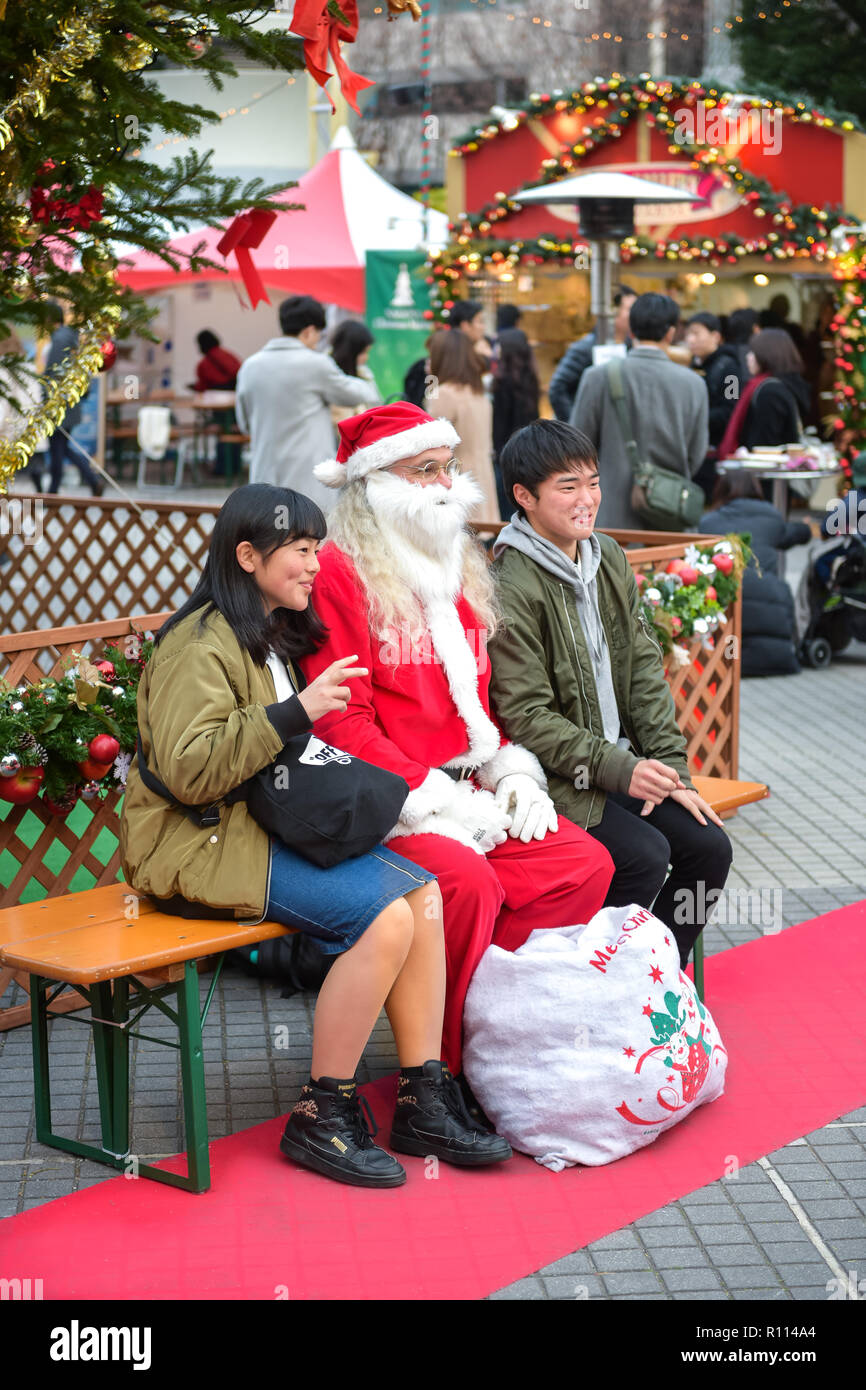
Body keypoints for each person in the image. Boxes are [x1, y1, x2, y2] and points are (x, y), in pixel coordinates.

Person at [119, 482, 512, 1188]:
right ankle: (321, 1112)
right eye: (300, 550)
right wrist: (294, 713)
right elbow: (188, 771)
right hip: (195, 843)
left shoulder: (267, 629)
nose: (313, 563)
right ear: (247, 555)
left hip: (252, 828)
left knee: (421, 896)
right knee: (386, 918)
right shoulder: (197, 644)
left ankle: (423, 1095)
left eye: (317, 548)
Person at [302, 402, 615, 1077]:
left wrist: (512, 775)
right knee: (467, 884)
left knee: (581, 865)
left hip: (470, 781)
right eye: (424, 470)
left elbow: (479, 705)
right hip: (388, 799)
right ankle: (438, 1073)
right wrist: (430, 795)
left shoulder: (457, 568)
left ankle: (496, 1021)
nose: (446, 484)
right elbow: (339, 721)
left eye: (448, 467)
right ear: (376, 482)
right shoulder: (338, 574)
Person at [488, 419, 732, 969]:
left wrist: (672, 773)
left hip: (620, 764)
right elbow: (525, 714)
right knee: (645, 856)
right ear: (524, 496)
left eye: (593, 483)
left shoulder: (607, 557)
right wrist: (622, 770)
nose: (587, 499)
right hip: (558, 776)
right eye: (567, 487)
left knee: (709, 847)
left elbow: (643, 669)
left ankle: (654, 978)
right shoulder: (511, 582)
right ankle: (596, 986)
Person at [572, 293, 708, 530]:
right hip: (671, 515)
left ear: (631, 331)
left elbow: (576, 447)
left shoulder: (597, 377)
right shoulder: (694, 384)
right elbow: (696, 454)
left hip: (609, 517)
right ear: (671, 333)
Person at [235, 295, 379, 510]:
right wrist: (364, 376)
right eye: (319, 335)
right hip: (307, 483)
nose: (317, 342)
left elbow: (244, 423)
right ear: (309, 331)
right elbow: (359, 394)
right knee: (310, 538)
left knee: (270, 538)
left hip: (264, 477)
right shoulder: (316, 364)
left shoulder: (249, 366)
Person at [699, 469, 810, 676]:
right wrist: (806, 529)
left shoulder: (708, 522)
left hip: (727, 605)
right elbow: (794, 535)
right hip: (771, 606)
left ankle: (731, 663)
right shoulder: (771, 515)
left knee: (732, 646)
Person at [423, 328, 500, 522]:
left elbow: (429, 437)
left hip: (455, 478)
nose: (428, 361)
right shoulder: (477, 392)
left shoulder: (444, 392)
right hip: (482, 475)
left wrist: (430, 380)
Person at [717, 328, 811, 458]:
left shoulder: (768, 391)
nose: (748, 357)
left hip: (764, 469)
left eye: (753, 352)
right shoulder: (784, 385)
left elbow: (764, 446)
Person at [548, 284, 636, 422]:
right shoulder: (585, 348)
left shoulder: (630, 347)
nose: (635, 315)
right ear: (612, 310)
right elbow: (557, 388)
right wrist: (575, 428)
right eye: (630, 309)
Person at [43, 302, 103, 497]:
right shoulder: (68, 337)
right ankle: (90, 480)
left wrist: (46, 399)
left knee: (58, 446)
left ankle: (55, 489)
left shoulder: (59, 339)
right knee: (62, 445)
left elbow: (54, 373)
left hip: (59, 400)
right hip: (68, 400)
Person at [684, 311, 744, 500]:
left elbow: (730, 410)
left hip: (715, 450)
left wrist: (694, 420)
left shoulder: (730, 369)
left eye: (696, 333)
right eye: (688, 334)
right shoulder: (693, 365)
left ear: (715, 336)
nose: (690, 340)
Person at [492, 327, 540, 518]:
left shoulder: (501, 383)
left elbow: (499, 424)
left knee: (505, 506)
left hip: (504, 452)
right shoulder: (530, 379)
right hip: (526, 451)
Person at [191, 330, 243, 479]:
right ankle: (235, 467)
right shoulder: (229, 355)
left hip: (218, 404)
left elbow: (202, 387)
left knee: (222, 432)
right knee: (234, 430)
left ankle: (222, 468)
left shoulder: (204, 364)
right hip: (236, 402)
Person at [328, 320, 381, 428]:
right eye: (363, 352)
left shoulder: (365, 374)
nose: (366, 357)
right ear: (349, 351)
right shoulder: (328, 376)